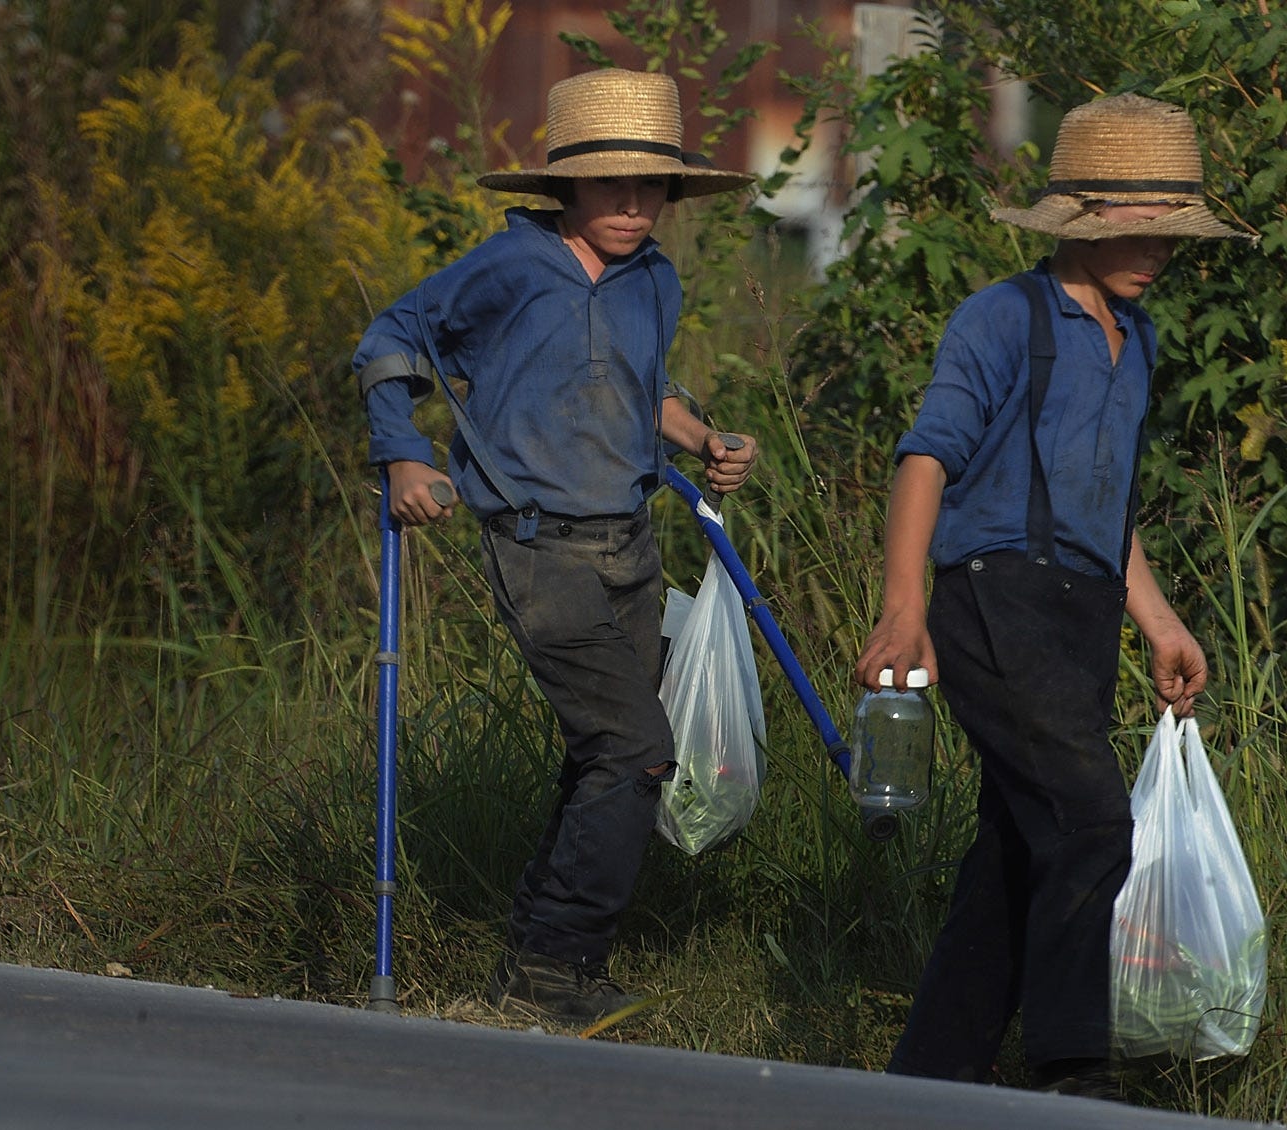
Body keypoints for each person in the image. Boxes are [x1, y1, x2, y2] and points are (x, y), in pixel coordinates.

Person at [853, 93, 1244, 1099]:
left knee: (1019, 843)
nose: (1153, 249)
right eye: (1133, 227)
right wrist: (903, 606)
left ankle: (931, 1069)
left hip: (1077, 614)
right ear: (1076, 220)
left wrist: (1157, 621)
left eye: (1168, 232)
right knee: (1087, 819)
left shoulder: (1138, 339)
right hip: (989, 600)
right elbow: (922, 459)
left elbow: (1105, 509)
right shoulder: (1002, 318)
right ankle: (1071, 1063)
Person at [352, 68, 759, 1023]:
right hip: (538, 550)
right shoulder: (508, 268)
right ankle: (554, 968)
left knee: (600, 755)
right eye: (611, 184)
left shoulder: (654, 278)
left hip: (631, 546)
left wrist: (702, 440)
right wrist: (405, 458)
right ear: (564, 186)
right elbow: (390, 340)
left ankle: (538, 960)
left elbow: (637, 390)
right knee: (635, 749)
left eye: (651, 186)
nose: (631, 203)